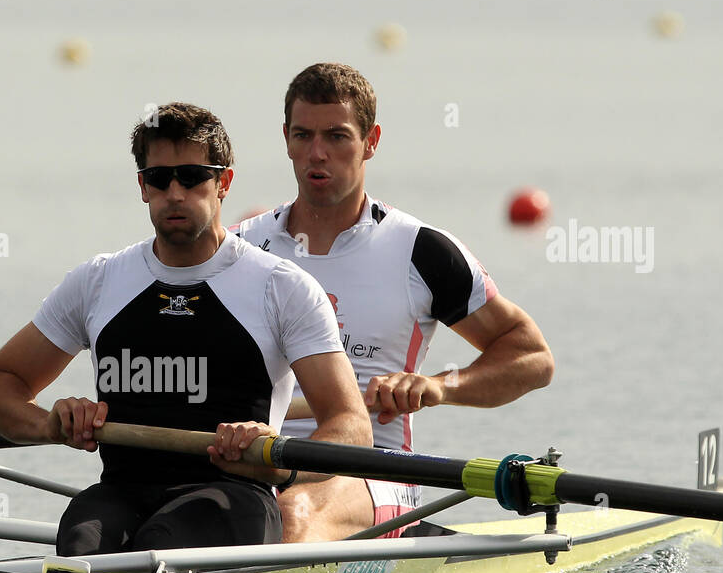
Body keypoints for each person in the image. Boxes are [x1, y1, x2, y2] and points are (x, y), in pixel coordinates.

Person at [0, 102, 372, 557]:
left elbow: (351, 427)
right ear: (142, 187)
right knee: (82, 542)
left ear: (224, 182)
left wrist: (278, 462)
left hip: (233, 498)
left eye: (193, 176)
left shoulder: (281, 288)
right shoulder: (98, 281)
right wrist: (49, 423)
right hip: (120, 495)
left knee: (165, 545)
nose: (175, 192)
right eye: (159, 179)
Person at [235, 63, 554, 542]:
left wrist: (439, 386)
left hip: (374, 470)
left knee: (294, 513)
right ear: (286, 139)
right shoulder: (240, 248)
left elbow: (532, 358)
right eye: (302, 135)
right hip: (256, 460)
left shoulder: (420, 250)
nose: (316, 154)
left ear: (371, 141)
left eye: (337, 136)